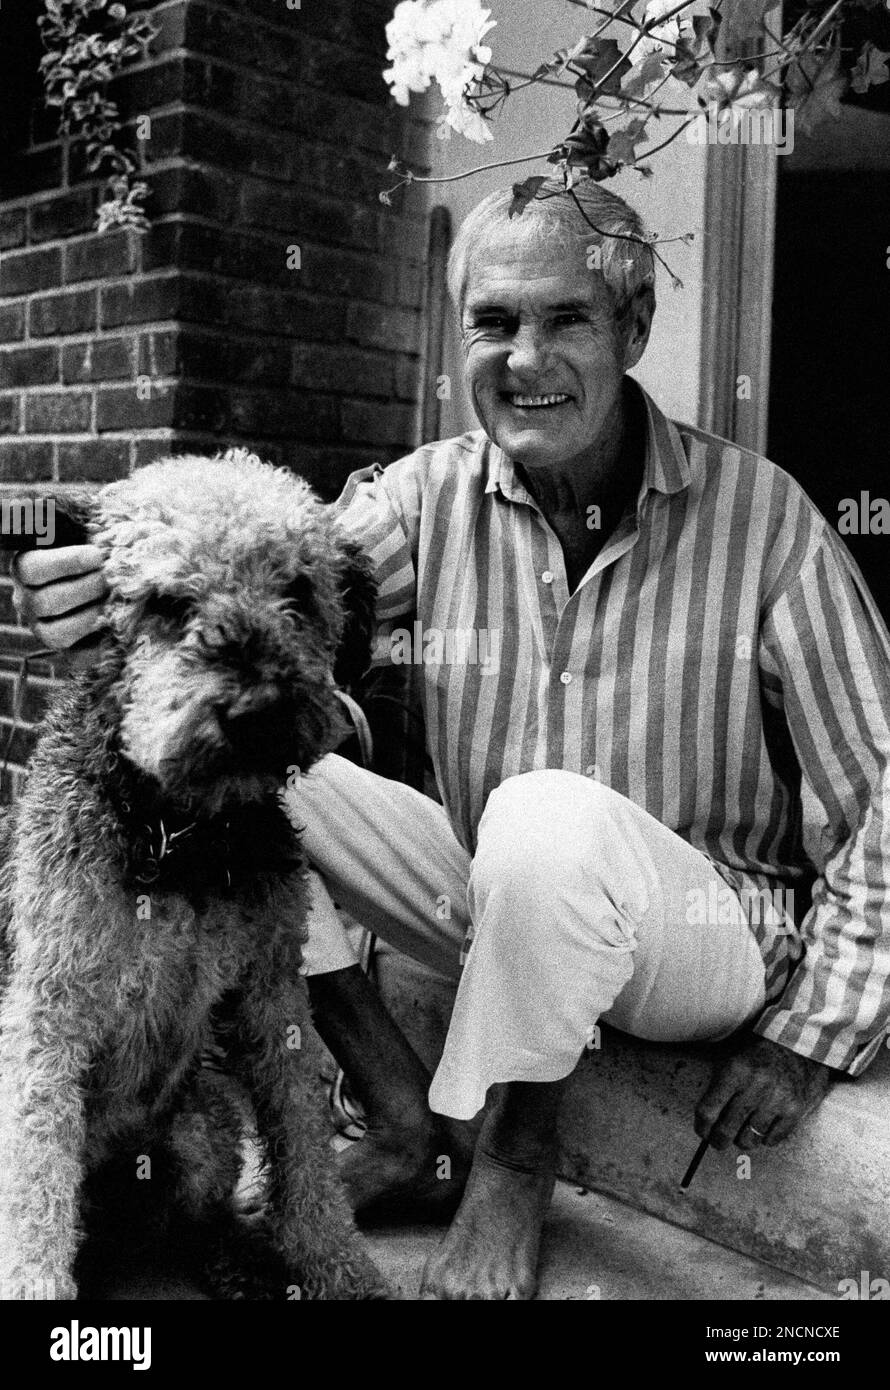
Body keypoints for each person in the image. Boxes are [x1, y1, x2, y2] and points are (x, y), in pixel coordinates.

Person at [14, 180, 890, 1301]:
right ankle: (391, 1098)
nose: (525, 358)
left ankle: (510, 1164)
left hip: (698, 929)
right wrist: (107, 591)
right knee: (270, 754)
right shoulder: (430, 495)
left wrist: (811, 1031)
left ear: (632, 328)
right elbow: (282, 586)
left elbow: (879, 786)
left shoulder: (764, 520)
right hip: (504, 895)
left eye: (565, 319)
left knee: (544, 819)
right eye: (491, 322)